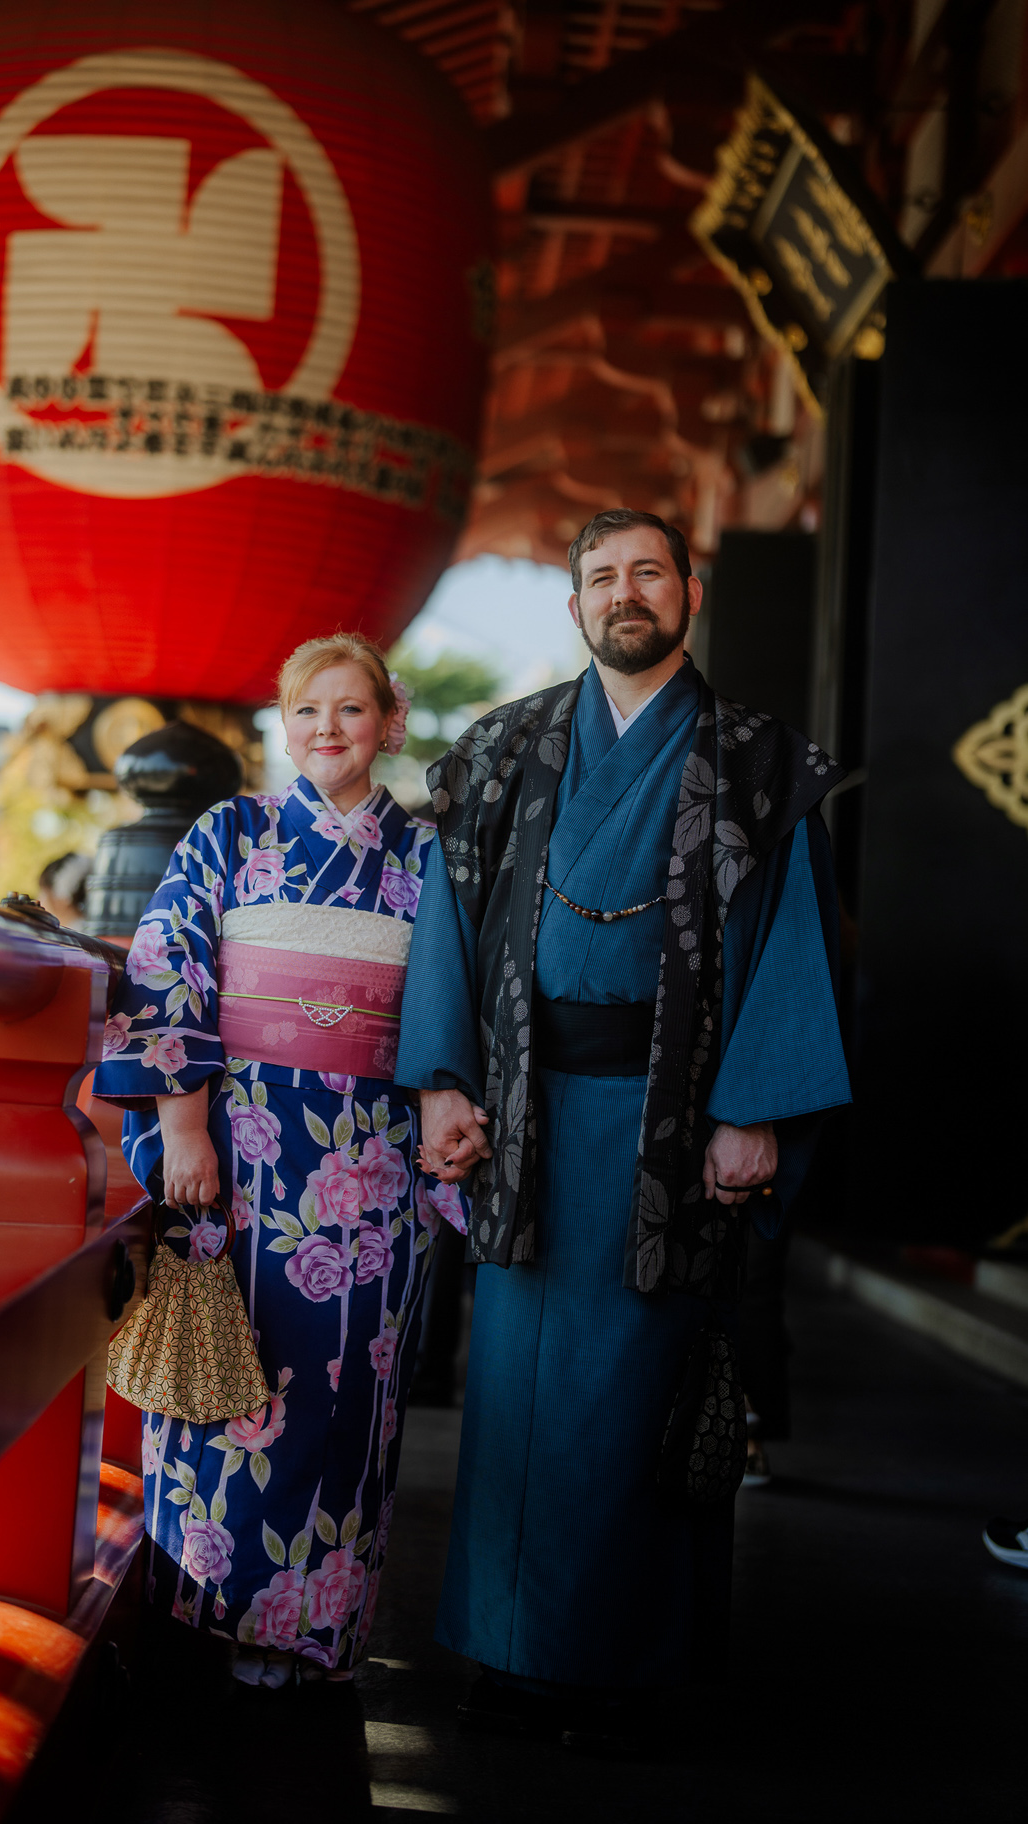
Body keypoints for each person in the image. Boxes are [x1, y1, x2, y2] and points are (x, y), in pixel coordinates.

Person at [395, 509, 852, 1752]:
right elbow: (445, 921)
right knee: (514, 1389)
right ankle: (507, 1643)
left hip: (668, 1118)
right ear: (574, 605)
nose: (624, 592)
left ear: (689, 589)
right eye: (600, 575)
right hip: (529, 1109)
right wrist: (440, 1078)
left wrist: (752, 1104)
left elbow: (795, 937)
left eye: (647, 570)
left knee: (638, 1386)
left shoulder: (755, 757)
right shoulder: (501, 748)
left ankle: (625, 1657)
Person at [93, 633, 462, 1688]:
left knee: (353, 1386)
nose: (328, 730)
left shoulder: (428, 854)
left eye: (351, 710)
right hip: (244, 1141)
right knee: (222, 1374)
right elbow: (168, 972)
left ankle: (315, 1630)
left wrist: (443, 1111)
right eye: (307, 711)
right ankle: (196, 1612)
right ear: (283, 725)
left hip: (373, 1154)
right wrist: (182, 1125)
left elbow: (450, 999)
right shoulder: (230, 830)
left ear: (388, 722)